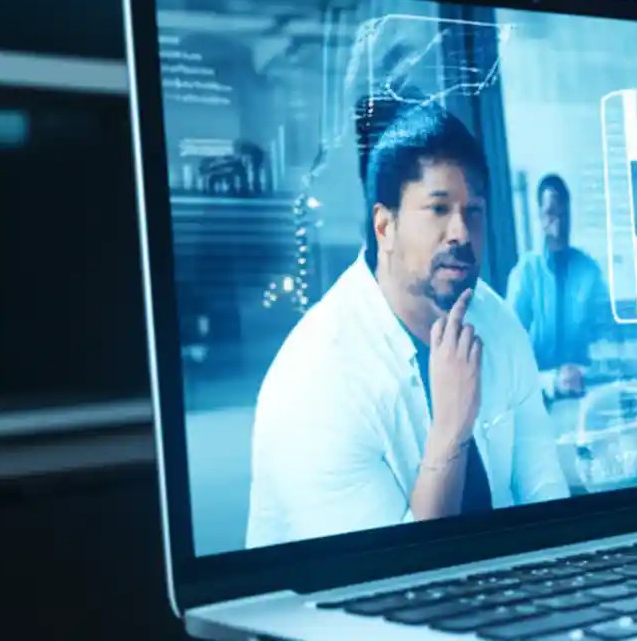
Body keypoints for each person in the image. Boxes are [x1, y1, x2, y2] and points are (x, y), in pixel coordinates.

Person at [245, 105, 568, 548]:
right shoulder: (317, 377)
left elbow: (545, 495)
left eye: (473, 211)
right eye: (438, 209)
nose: (461, 232)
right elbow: (388, 577)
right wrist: (450, 430)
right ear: (385, 226)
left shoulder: (494, 320)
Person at [506, 174, 612, 371]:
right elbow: (510, 351)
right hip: (538, 391)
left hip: (584, 386)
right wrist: (552, 381)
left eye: (564, 215)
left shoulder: (589, 272)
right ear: (540, 216)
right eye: (551, 214)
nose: (559, 225)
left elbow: (605, 338)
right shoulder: (525, 274)